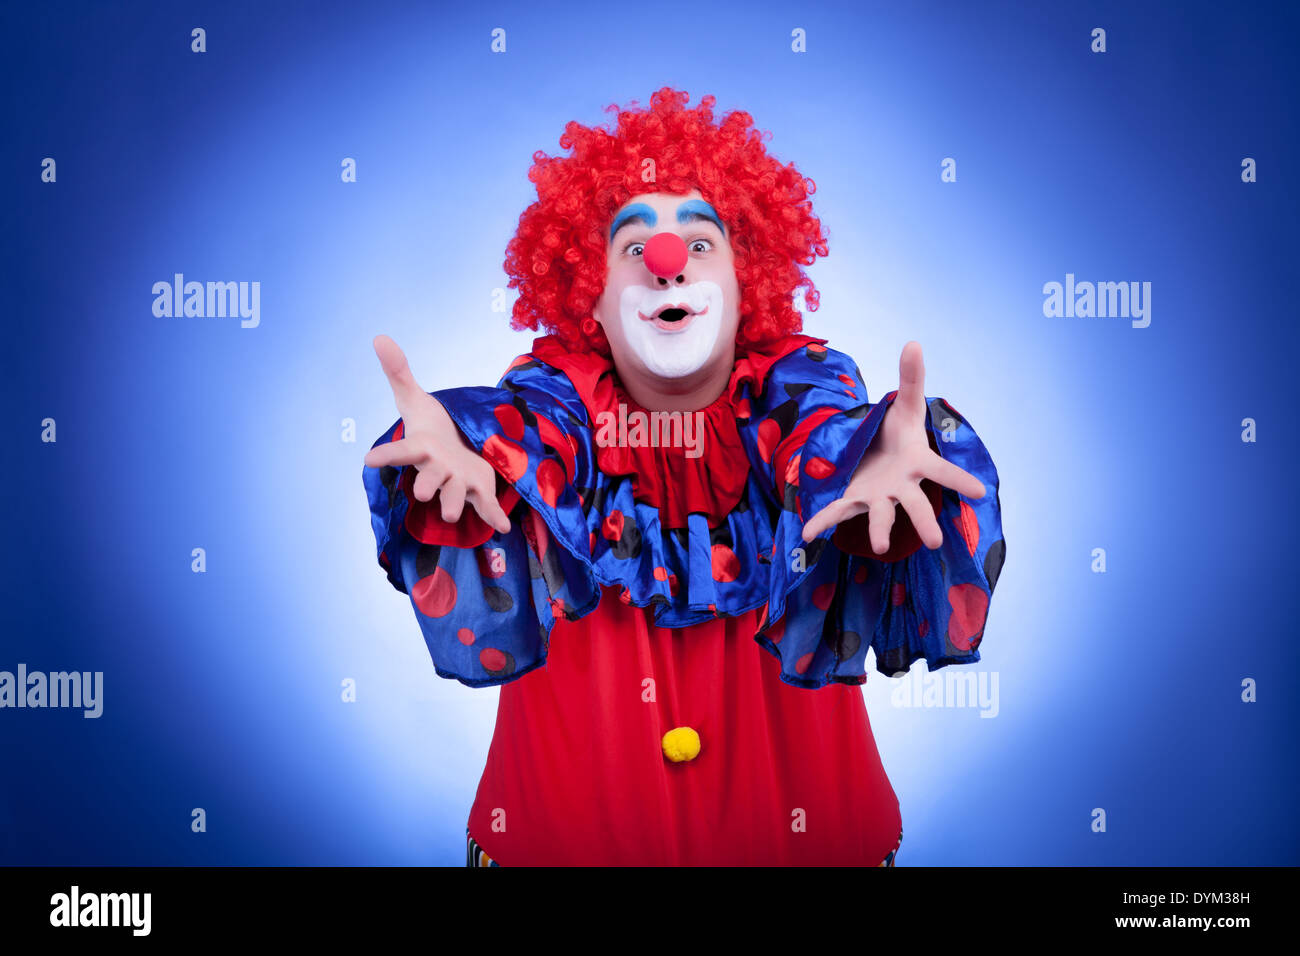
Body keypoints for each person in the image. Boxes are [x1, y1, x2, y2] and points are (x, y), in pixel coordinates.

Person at [362, 87, 1005, 866]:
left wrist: (872, 455)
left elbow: (822, 439)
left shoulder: (796, 395)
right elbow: (524, 433)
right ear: (588, 298)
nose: (667, 265)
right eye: (632, 248)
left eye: (701, 243)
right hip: (555, 835)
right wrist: (471, 446)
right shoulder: (556, 406)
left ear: (748, 285)